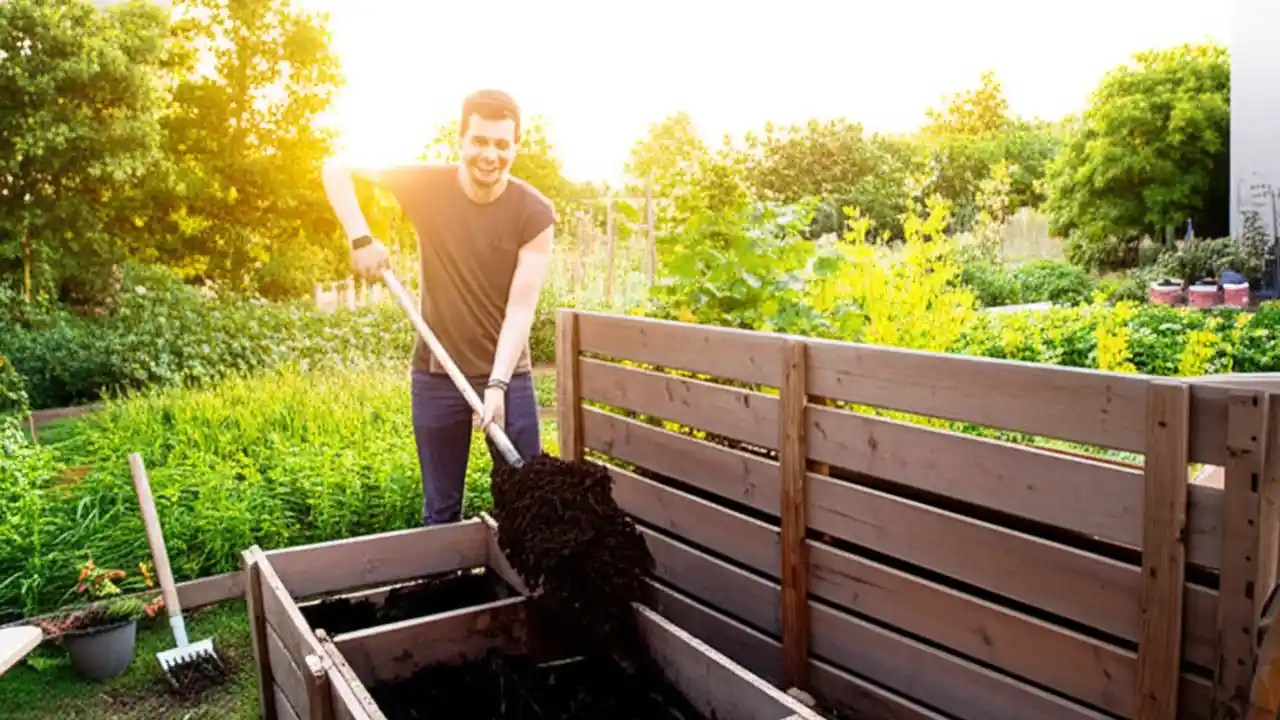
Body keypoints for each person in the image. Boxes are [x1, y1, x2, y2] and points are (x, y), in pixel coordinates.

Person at [320, 89, 556, 525]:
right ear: (461, 140)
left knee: (527, 508)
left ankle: (521, 590)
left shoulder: (535, 214)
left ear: (515, 148)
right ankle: (447, 587)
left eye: (502, 144)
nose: (490, 155)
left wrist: (498, 385)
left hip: (509, 377)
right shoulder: (425, 185)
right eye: (480, 141)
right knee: (441, 513)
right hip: (436, 375)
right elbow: (336, 167)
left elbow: (520, 310)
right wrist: (360, 237)